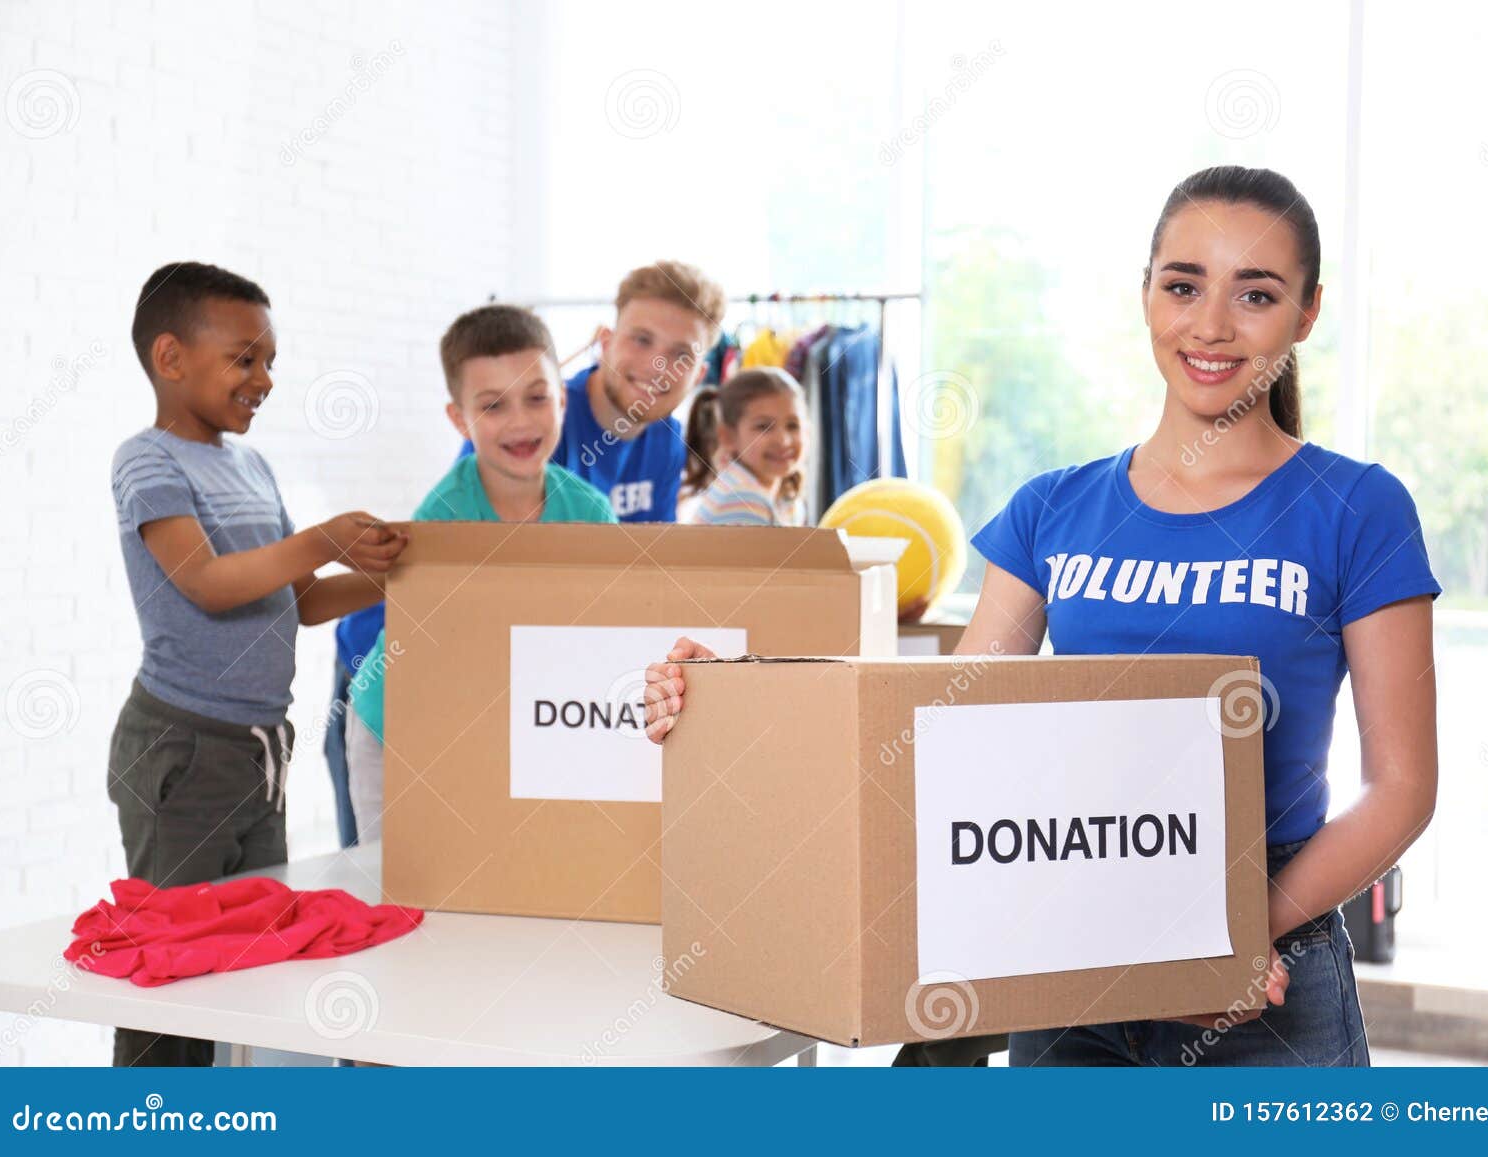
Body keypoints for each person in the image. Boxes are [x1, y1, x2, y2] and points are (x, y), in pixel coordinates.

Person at [643, 165, 1441, 1068]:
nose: (1212, 324)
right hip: (1070, 961)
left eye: (1255, 294)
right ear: (1146, 294)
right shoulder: (1052, 509)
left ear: (1307, 312)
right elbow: (945, 733)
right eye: (1183, 285)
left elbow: (1402, 788)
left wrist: (1227, 935)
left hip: (1268, 970)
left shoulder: (1357, 507)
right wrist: (734, 702)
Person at [109, 261, 406, 1066]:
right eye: (246, 358)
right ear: (171, 359)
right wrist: (321, 538)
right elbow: (204, 583)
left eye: (270, 360)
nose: (265, 379)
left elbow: (299, 598)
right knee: (171, 972)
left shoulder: (252, 467)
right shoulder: (149, 463)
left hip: (255, 754)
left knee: (245, 966)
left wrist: (394, 575)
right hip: (185, 750)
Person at [344, 304, 615, 839]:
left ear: (562, 399)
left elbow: (596, 638)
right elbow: (447, 655)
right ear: (458, 419)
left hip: (512, 722)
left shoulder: (590, 513)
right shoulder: (444, 516)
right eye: (493, 406)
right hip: (400, 723)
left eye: (537, 398)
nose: (520, 421)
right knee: (397, 884)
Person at [550, 260, 728, 521]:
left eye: (681, 355)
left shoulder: (668, 442)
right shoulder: (537, 419)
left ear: (698, 376)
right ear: (605, 343)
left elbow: (656, 554)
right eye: (642, 340)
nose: (657, 367)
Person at [683, 367, 808, 526]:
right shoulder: (744, 500)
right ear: (728, 437)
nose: (783, 440)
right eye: (763, 427)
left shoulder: (783, 495)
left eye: (792, 425)